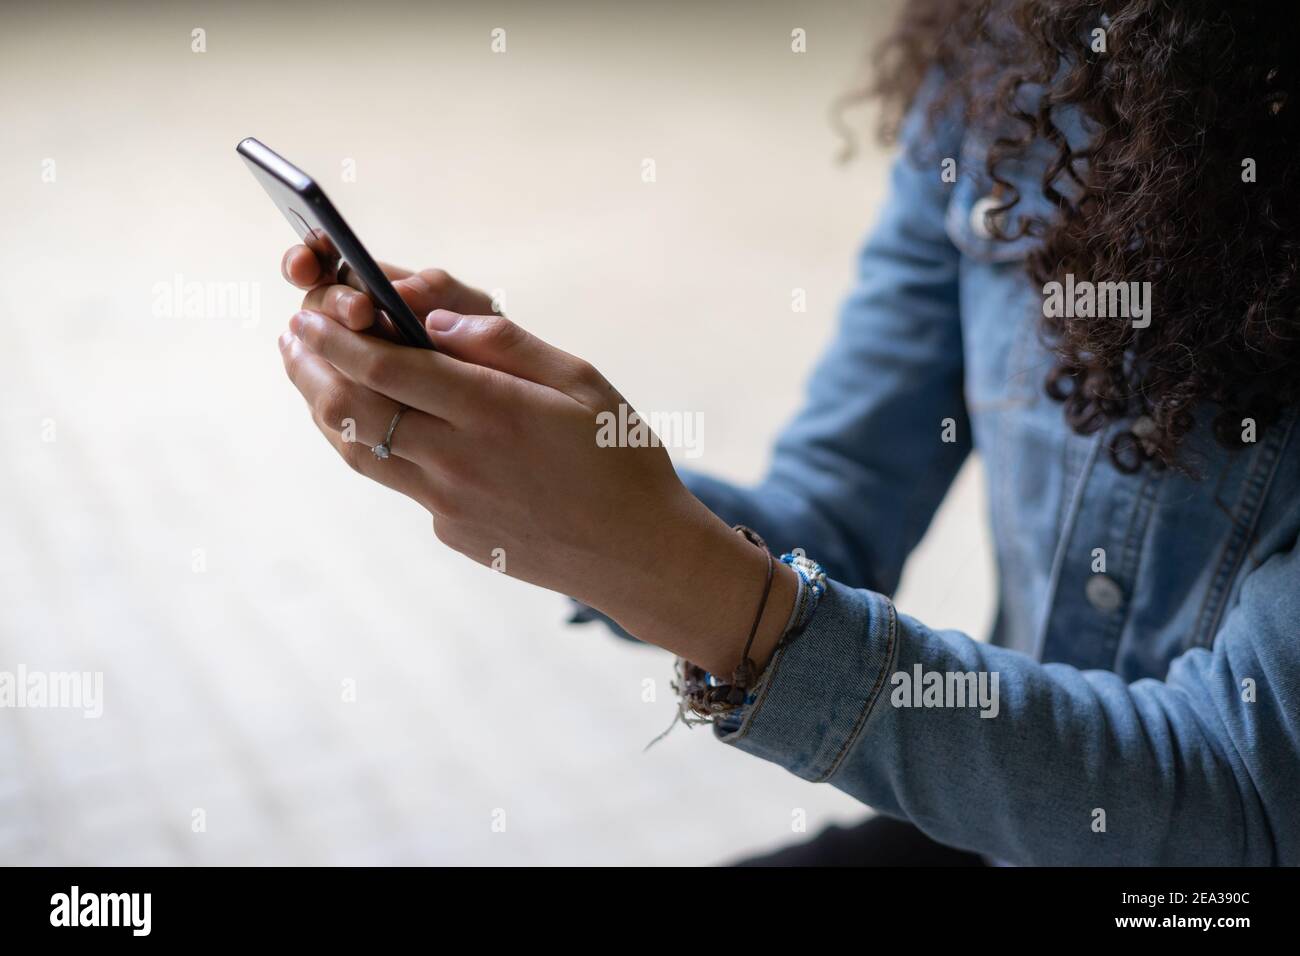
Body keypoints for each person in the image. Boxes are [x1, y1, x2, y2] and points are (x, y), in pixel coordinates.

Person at [274, 0, 1300, 865]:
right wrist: (584, 483)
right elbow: (829, 516)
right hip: (1012, 808)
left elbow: (1244, 798)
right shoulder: (1011, 64)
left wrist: (680, 574)